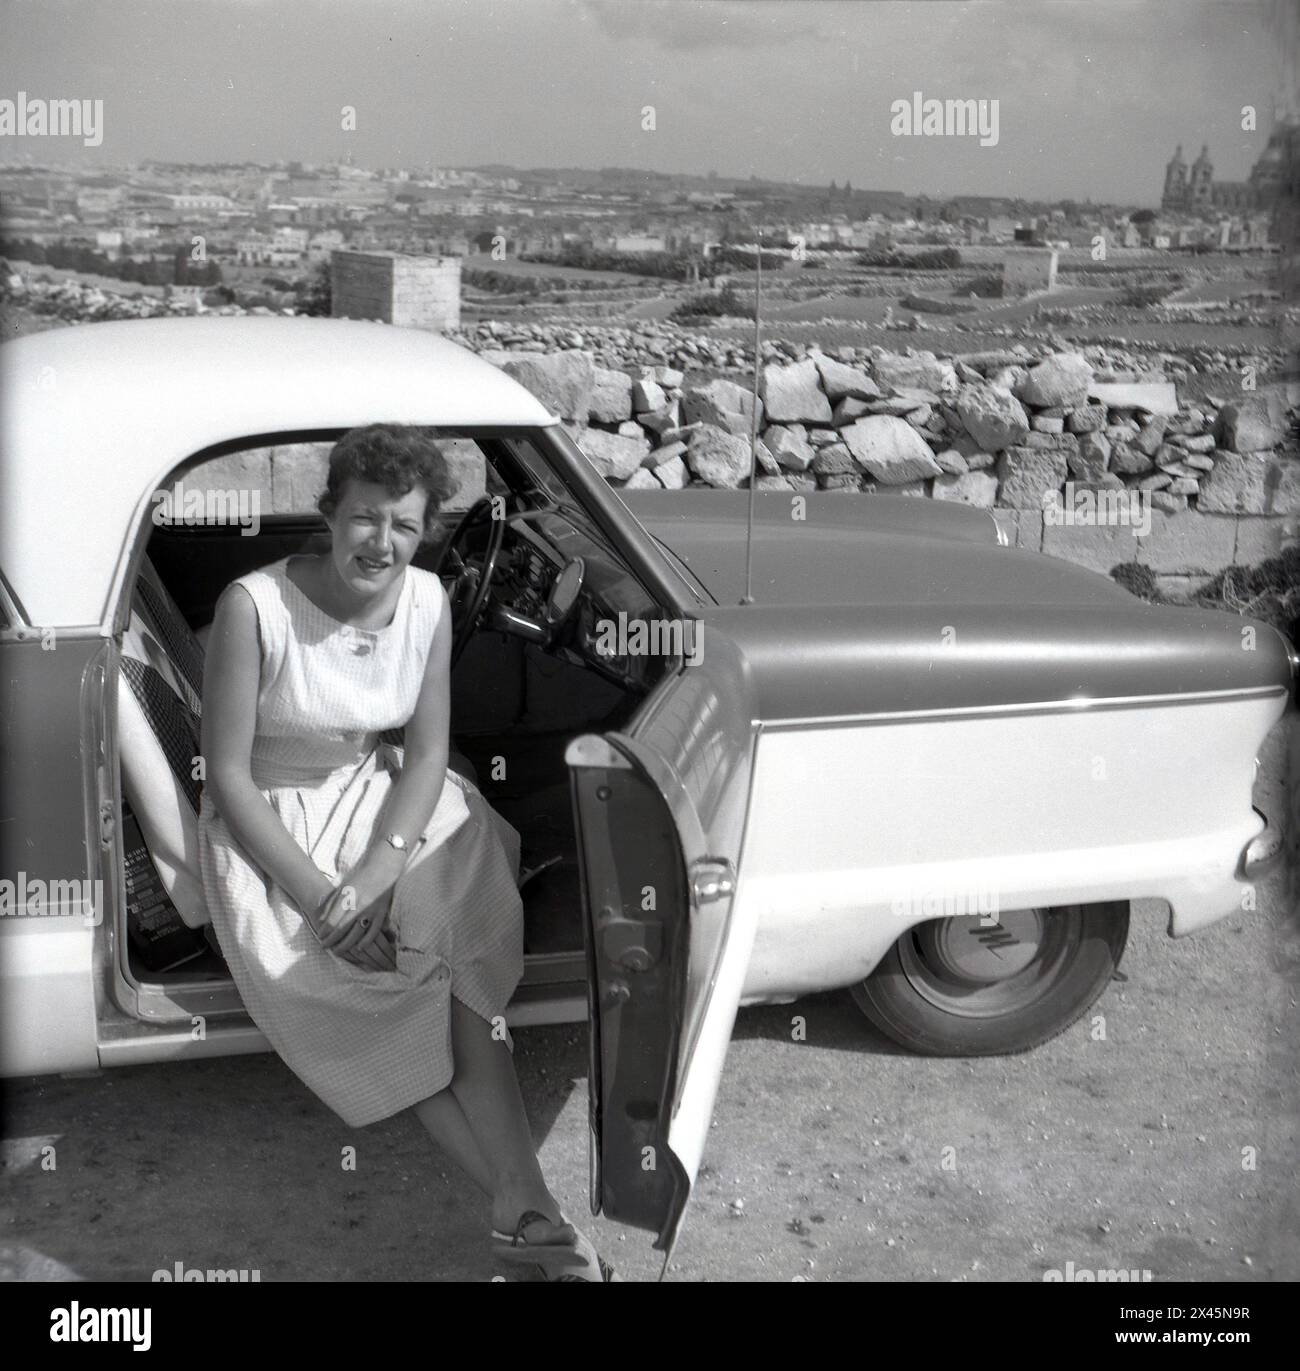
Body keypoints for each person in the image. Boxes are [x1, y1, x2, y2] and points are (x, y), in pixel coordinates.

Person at [197, 423, 614, 1281]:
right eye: (364, 518)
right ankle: (531, 1208)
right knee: (378, 978)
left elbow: (426, 755)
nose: (381, 542)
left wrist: (379, 872)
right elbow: (230, 778)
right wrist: (328, 900)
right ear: (330, 514)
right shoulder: (254, 607)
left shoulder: (425, 598)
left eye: (404, 524)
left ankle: (524, 1211)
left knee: (448, 954)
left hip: (380, 799)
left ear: (425, 531)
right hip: (272, 824)